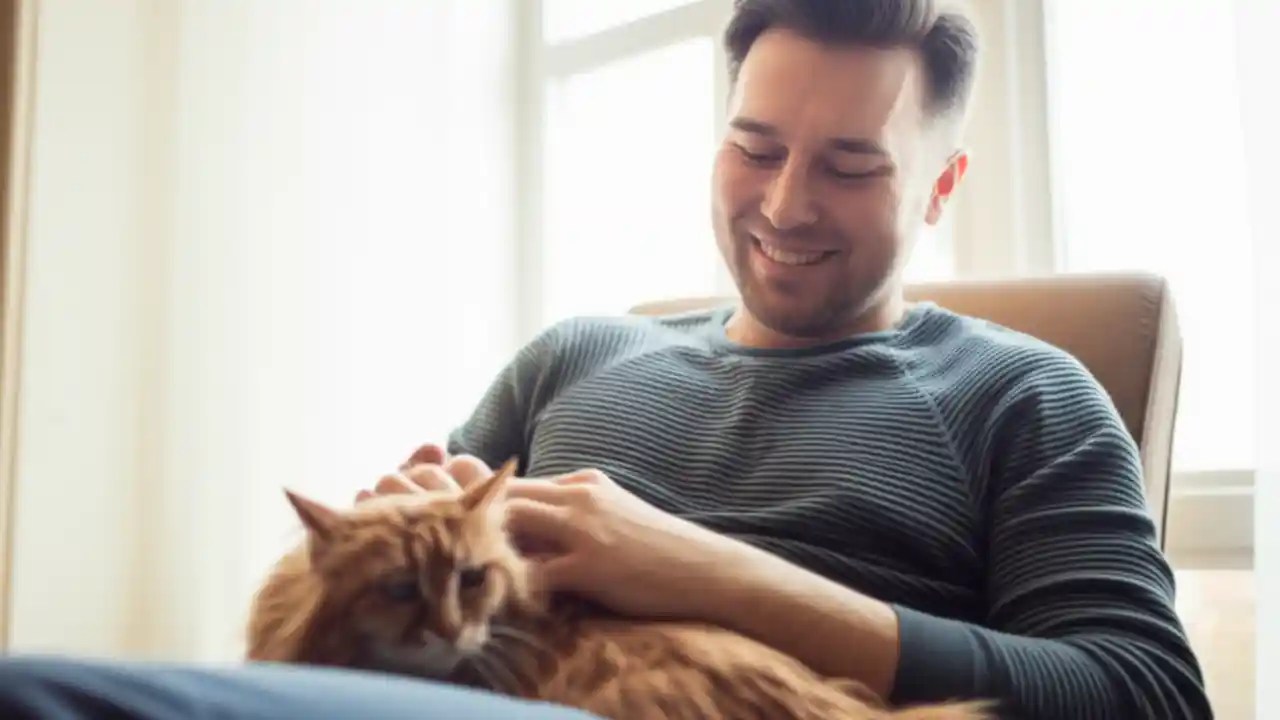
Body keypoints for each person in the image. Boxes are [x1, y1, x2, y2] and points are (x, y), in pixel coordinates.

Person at [0, 1, 1210, 718]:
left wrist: (705, 572)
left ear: (942, 182)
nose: (785, 204)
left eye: (850, 165)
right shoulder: (576, 354)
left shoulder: (1017, 394)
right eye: (753, 146)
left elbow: (1146, 696)